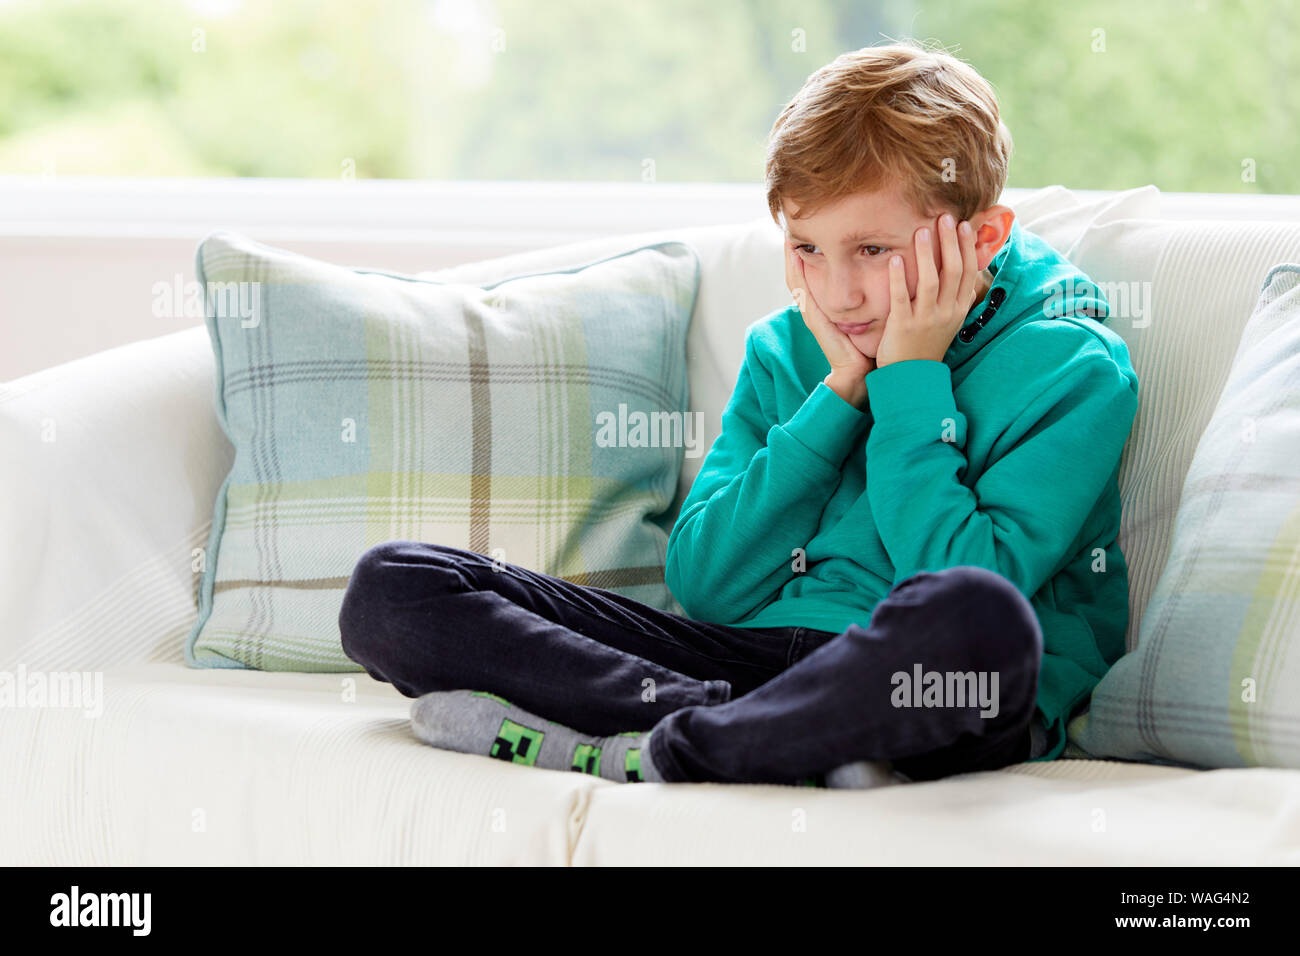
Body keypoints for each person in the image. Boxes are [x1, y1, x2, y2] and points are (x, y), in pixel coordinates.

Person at [337, 39, 1139, 788]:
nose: (837, 292)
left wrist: (910, 379)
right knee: (396, 588)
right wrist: (835, 402)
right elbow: (710, 585)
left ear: (983, 240)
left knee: (983, 622)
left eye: (872, 250)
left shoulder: (1071, 366)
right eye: (807, 249)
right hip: (742, 661)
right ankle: (750, 734)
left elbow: (956, 577)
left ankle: (675, 745)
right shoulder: (790, 347)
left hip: (916, 681)